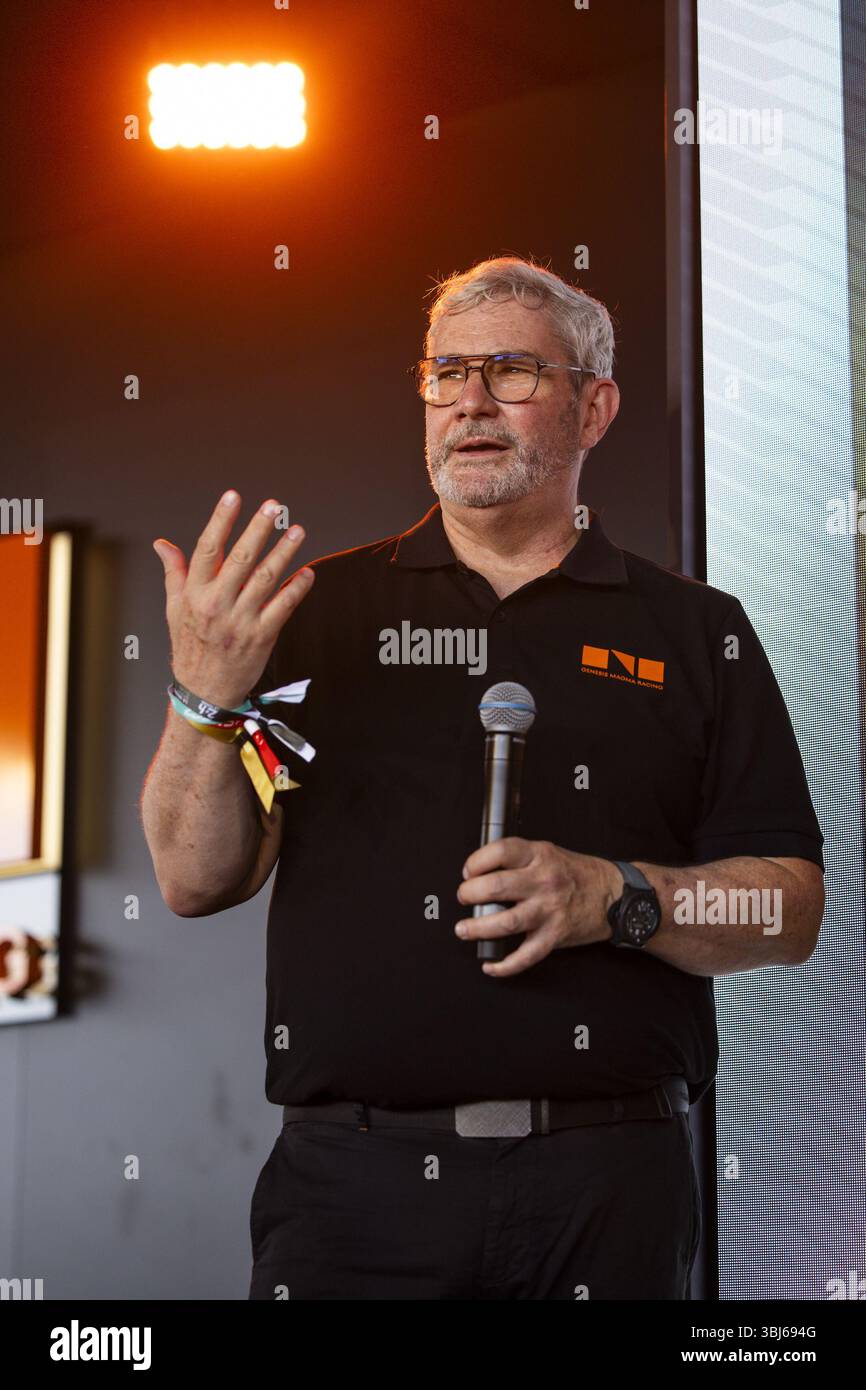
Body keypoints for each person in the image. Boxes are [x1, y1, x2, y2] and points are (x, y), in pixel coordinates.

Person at [141, 256, 825, 1301]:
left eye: (511, 371)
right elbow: (195, 879)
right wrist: (201, 699)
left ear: (592, 408)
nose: (467, 399)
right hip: (349, 1194)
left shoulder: (695, 631)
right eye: (445, 372)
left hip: (607, 1189)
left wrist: (616, 898)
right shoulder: (312, 613)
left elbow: (785, 909)